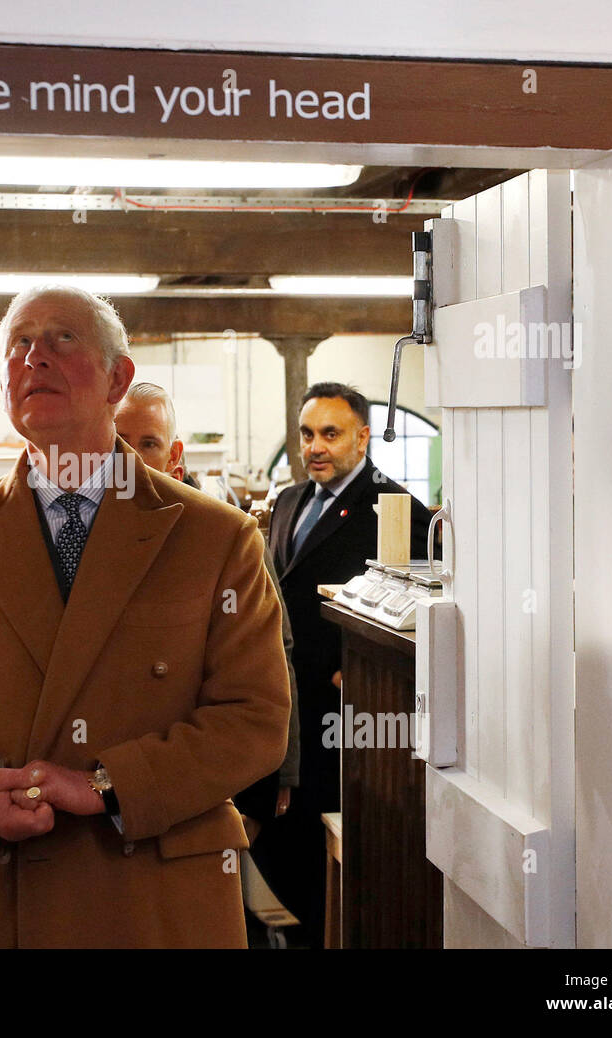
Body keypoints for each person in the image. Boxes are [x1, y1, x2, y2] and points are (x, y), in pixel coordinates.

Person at [0, 285, 290, 948]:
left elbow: (255, 720)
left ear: (118, 377)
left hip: (162, 904)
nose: (35, 357)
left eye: (61, 339)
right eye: (19, 345)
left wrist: (108, 785)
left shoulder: (217, 538)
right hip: (3, 897)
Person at [255, 381, 432, 946]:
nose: (315, 447)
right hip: (284, 708)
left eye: (330, 434)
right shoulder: (287, 502)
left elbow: (421, 620)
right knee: (281, 839)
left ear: (363, 436)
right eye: (307, 434)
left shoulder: (399, 511)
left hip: (351, 716)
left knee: (335, 848)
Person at [116, 383, 300, 829]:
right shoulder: (85, 540)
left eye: (149, 444)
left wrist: (284, 771)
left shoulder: (228, 538)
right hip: (119, 783)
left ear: (175, 455)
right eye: (120, 444)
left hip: (212, 771)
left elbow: (278, 654)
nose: (132, 461)